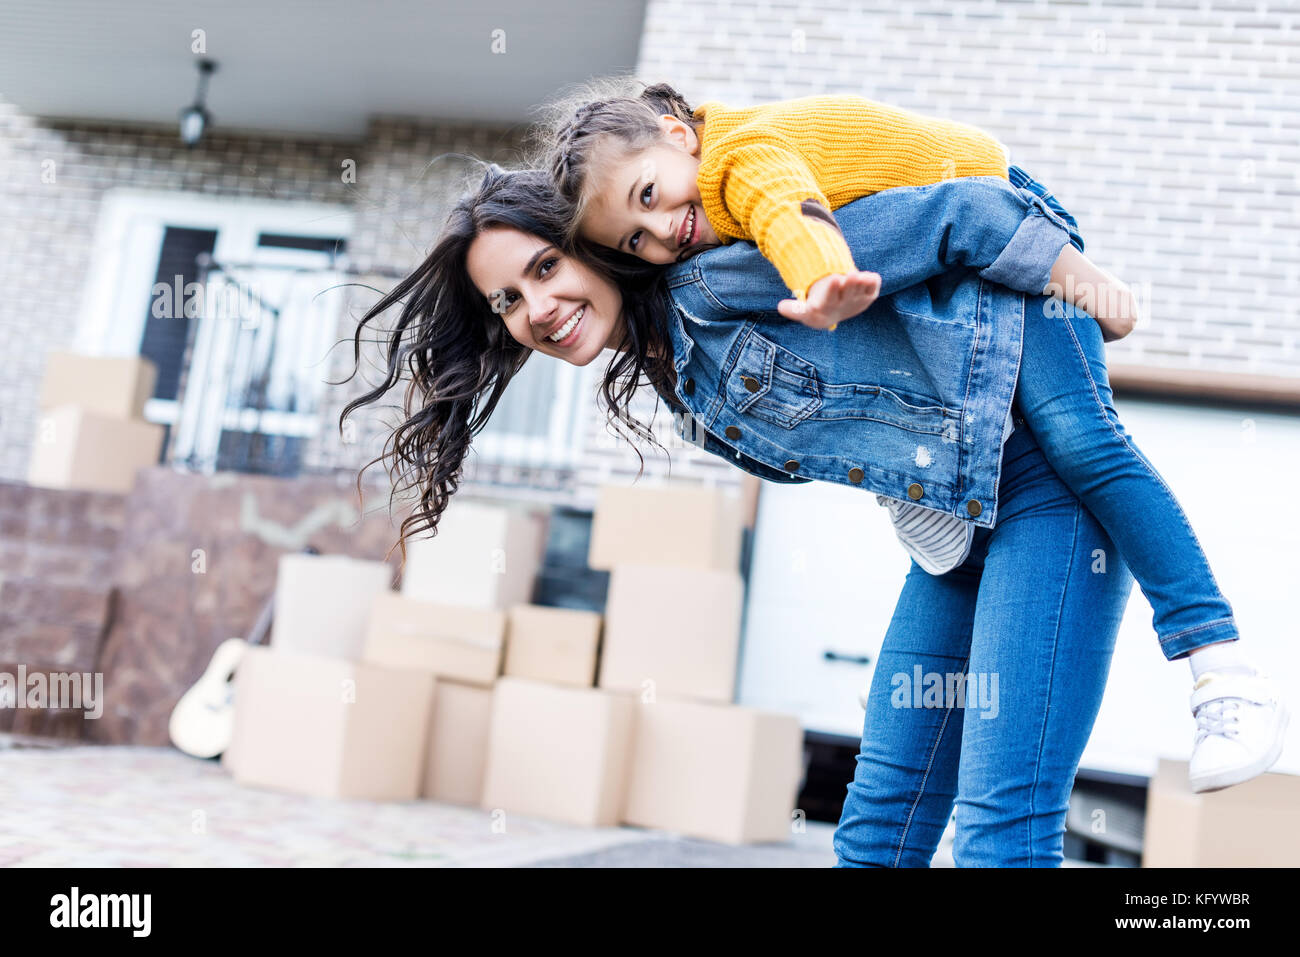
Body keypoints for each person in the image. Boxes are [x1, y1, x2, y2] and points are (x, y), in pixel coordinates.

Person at [344, 164, 1137, 864]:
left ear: (594, 240)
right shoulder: (675, 370)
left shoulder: (732, 272)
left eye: (546, 266)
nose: (538, 307)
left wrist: (1093, 298)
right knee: (875, 835)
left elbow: (955, 214)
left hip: (1048, 494)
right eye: (509, 301)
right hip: (957, 537)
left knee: (1000, 833)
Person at [538, 81, 1288, 793]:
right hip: (967, 267)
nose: (663, 230)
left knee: (1082, 441)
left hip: (1007, 219)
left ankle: (1222, 669)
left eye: (649, 196)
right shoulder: (699, 268)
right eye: (635, 241)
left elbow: (788, 213)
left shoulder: (738, 156)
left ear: (678, 137)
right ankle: (934, 502)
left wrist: (821, 278)